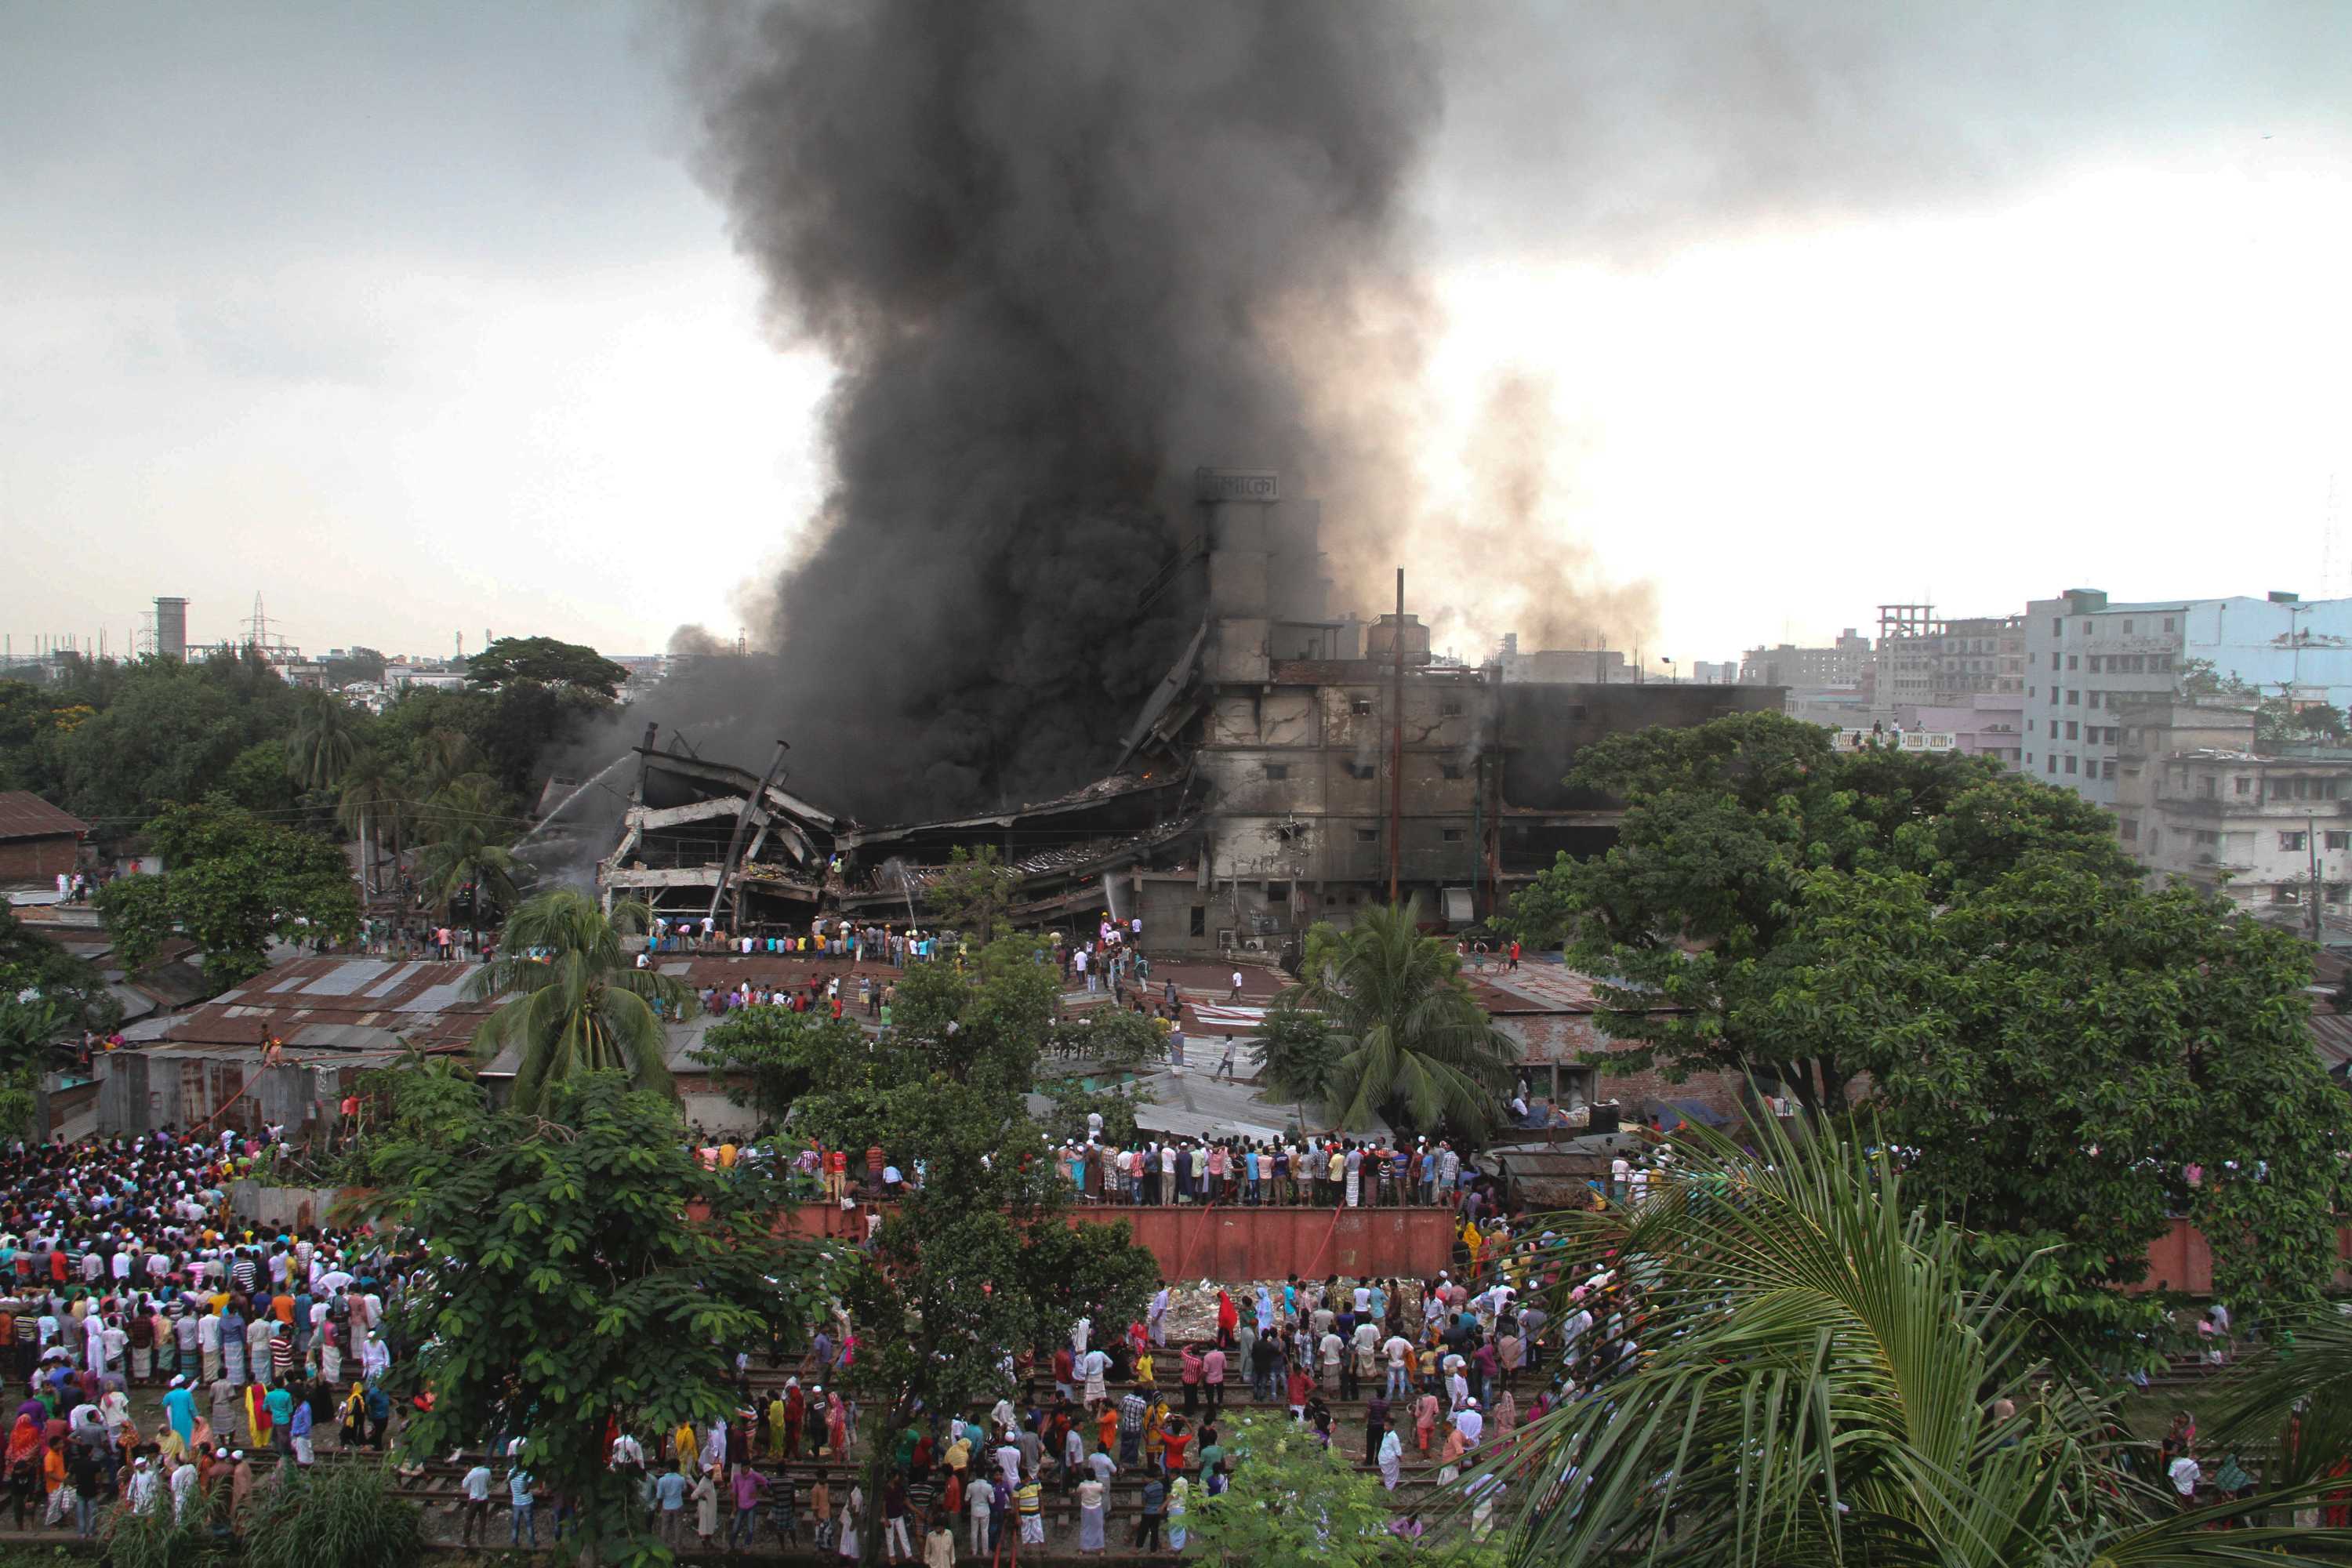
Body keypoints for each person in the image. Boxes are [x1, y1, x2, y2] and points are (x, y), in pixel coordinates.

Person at [460, 1457, 493, 1547]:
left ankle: (466, 1539)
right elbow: (489, 1483)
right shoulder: (487, 1471)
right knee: (482, 1520)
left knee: (469, 1519)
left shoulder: (472, 1473)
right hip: (484, 1499)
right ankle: (481, 1540)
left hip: (474, 1499)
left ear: (472, 1465)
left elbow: (464, 1485)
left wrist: (467, 1473)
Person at [509, 1460, 538, 1548]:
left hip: (516, 1502)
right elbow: (529, 1485)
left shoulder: (510, 1473)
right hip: (527, 1501)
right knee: (529, 1523)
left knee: (515, 1523)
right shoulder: (526, 1473)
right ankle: (532, 1542)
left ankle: (514, 1541)